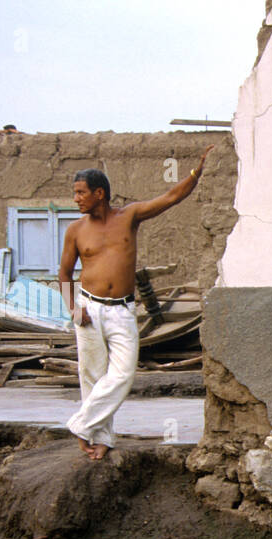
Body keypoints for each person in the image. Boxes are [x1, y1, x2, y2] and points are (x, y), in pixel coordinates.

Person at [59, 146, 214, 460]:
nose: (76, 199)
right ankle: (100, 439)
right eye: (75, 193)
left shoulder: (128, 216)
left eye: (80, 193)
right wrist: (74, 309)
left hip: (122, 310)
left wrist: (197, 171)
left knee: (123, 375)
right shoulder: (75, 231)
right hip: (88, 309)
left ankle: (80, 424)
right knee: (91, 378)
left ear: (99, 193)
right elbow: (63, 273)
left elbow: (170, 198)